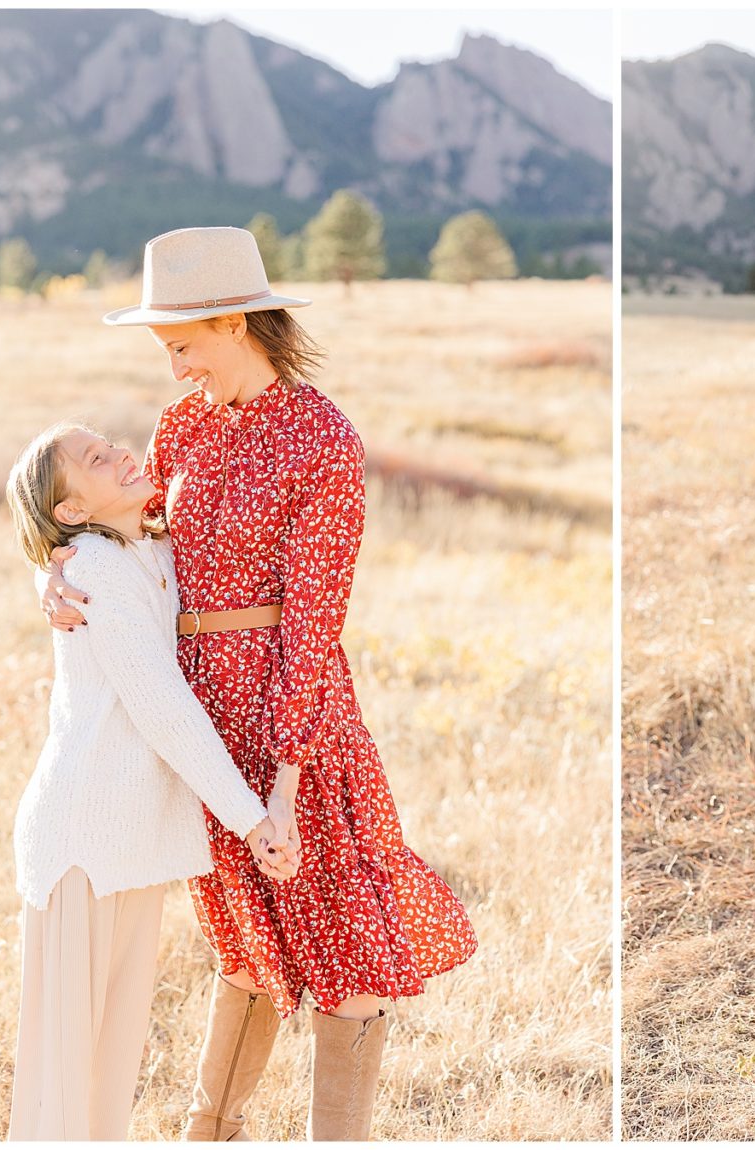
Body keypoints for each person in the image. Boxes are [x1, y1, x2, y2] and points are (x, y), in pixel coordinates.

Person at [43, 227, 476, 1140]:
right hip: (199, 722)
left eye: (182, 347)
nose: (175, 370)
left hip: (292, 714)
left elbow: (315, 621)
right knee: (242, 948)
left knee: (346, 953)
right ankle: (208, 1132)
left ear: (234, 321)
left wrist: (284, 779)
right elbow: (129, 539)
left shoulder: (322, 439)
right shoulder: (184, 427)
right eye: (166, 352)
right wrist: (56, 567)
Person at [4, 424, 298, 1140]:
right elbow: (163, 706)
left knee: (110, 1065)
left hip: (128, 844)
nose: (120, 454)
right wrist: (251, 818)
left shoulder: (143, 550)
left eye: (109, 443)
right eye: (96, 459)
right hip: (81, 839)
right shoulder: (97, 570)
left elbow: (77, 558)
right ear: (72, 510)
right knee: (65, 1072)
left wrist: (47, 571)